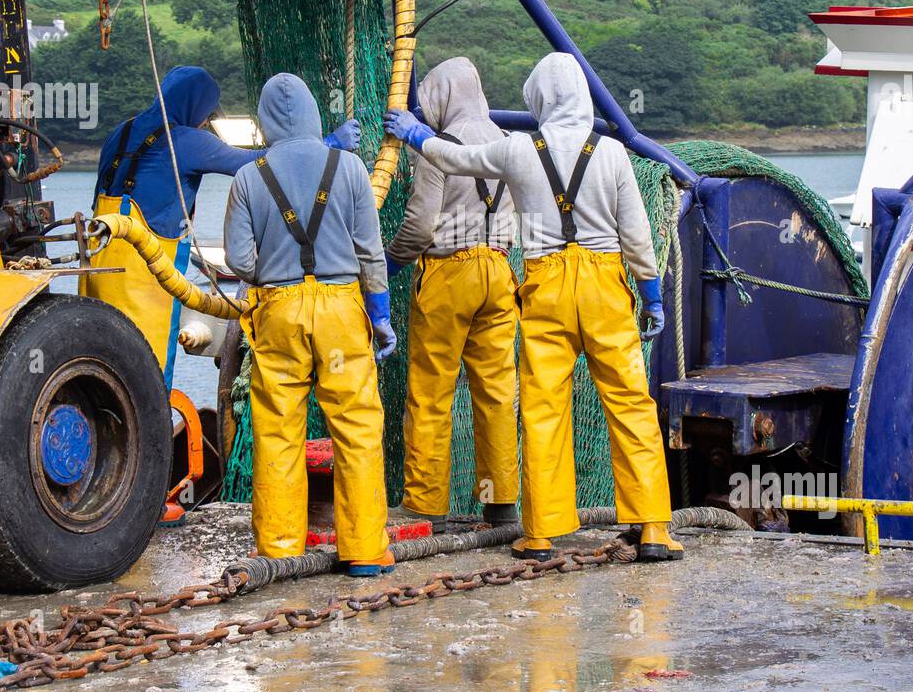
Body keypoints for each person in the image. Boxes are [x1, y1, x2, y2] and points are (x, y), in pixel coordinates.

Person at [385, 52, 678, 564]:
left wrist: (413, 134)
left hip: (544, 284)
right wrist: (650, 294)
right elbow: (636, 234)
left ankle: (540, 533)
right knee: (631, 404)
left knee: (543, 407)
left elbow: (454, 161)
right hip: (605, 282)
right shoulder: (611, 154)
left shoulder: (520, 149)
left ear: (539, 98)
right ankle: (652, 526)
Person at [81, 65, 360, 386]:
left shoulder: (123, 131)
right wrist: (326, 144)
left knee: (101, 360)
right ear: (194, 105)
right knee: (144, 369)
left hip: (99, 266)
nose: (204, 122)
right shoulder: (183, 141)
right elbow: (254, 164)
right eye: (205, 113)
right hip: (144, 276)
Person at [225, 73, 397, 578]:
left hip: (278, 310)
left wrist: (273, 274)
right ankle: (365, 548)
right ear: (313, 114)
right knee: (357, 426)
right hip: (342, 310)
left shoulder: (247, 176)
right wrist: (381, 317)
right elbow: (371, 252)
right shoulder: (348, 168)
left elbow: (239, 259)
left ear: (264, 120)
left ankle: (278, 547)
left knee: (278, 426)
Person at [386, 58, 520, 533]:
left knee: (431, 391)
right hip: (500, 271)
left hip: (448, 272)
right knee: (497, 391)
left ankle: (426, 505)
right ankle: (501, 503)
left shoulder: (435, 148)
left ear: (441, 95)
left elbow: (421, 223)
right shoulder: (510, 144)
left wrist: (390, 263)